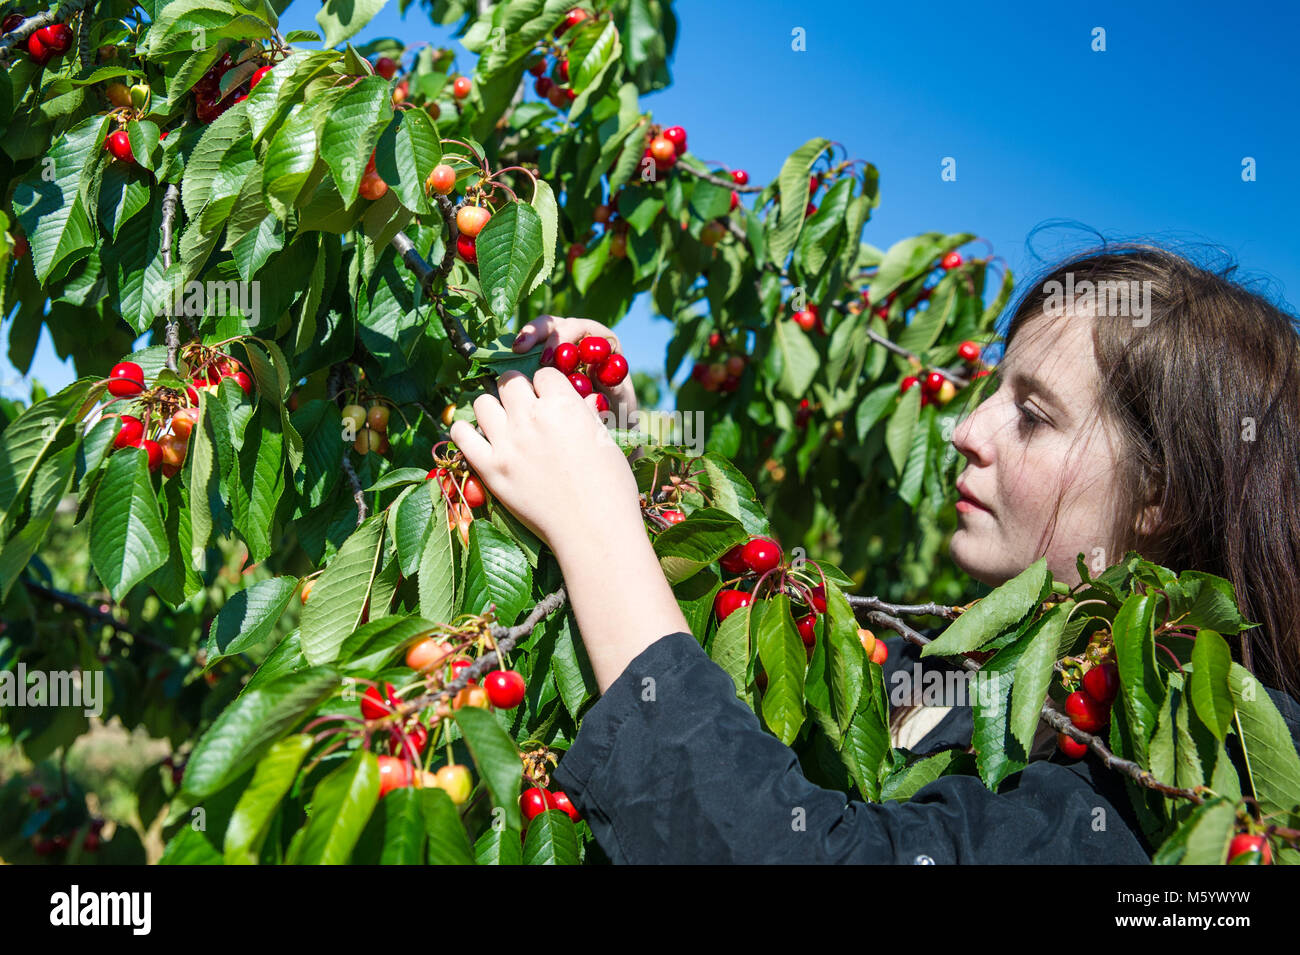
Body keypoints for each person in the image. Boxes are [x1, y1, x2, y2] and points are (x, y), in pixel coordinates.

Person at [449, 244, 1300, 863]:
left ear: (1164, 498)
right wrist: (634, 463)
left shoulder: (1201, 782)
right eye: (990, 391)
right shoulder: (994, 678)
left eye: (1034, 416)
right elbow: (789, 669)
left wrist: (598, 528)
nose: (964, 431)